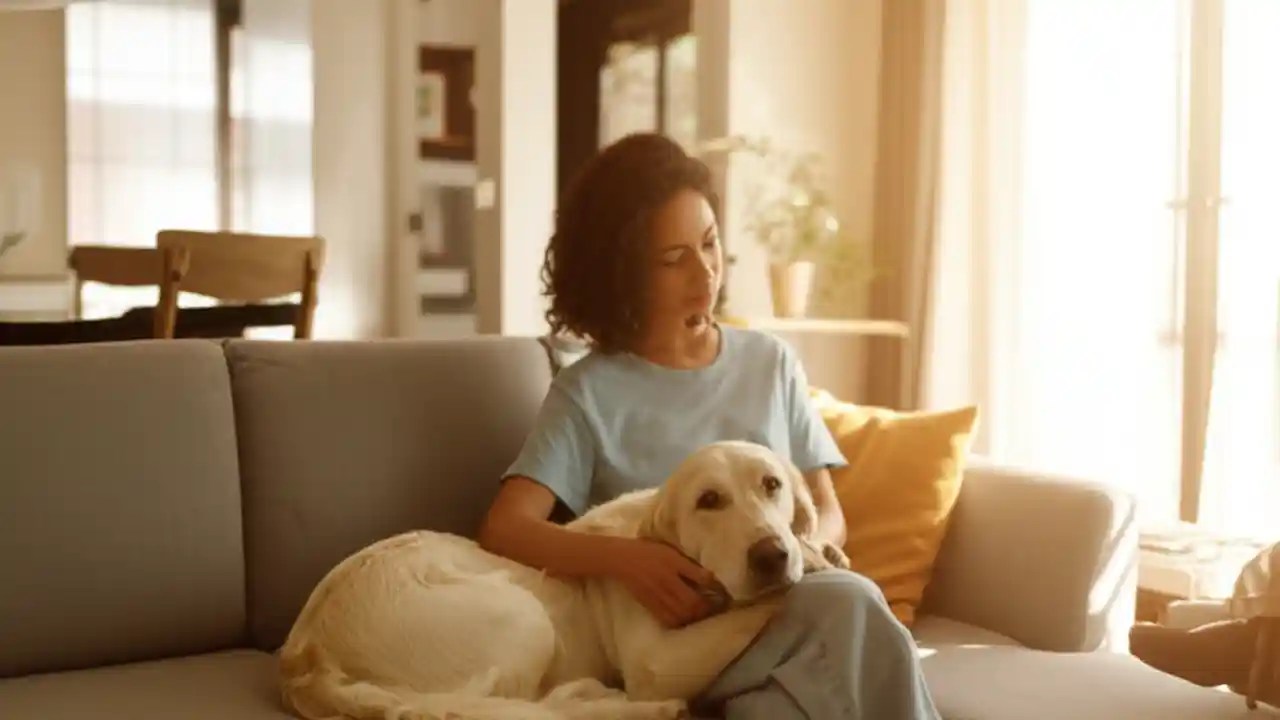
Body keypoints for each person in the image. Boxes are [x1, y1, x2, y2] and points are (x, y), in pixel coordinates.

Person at [477, 132, 939, 719]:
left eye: (710, 243)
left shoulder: (769, 363)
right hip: (678, 642)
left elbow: (826, 508)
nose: (705, 272)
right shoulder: (588, 393)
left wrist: (804, 548)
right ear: (621, 273)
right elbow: (506, 528)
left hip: (787, 609)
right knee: (851, 602)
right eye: (674, 259)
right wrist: (628, 559)